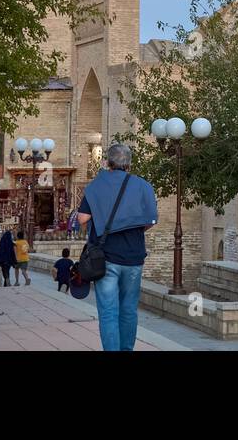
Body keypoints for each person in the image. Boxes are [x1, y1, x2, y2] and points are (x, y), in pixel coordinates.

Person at [76, 142, 158, 351]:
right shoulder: (143, 186)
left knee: (109, 312)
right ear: (129, 164)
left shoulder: (96, 185)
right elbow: (150, 220)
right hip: (133, 257)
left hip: (105, 258)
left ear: (108, 162)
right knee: (129, 310)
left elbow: (83, 218)